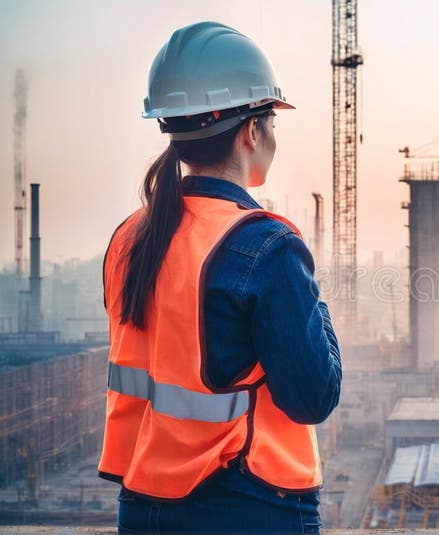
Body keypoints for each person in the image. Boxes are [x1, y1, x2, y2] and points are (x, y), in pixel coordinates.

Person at [98, 21, 341, 534]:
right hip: (250, 504)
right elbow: (313, 396)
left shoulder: (129, 238)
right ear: (251, 131)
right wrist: (315, 303)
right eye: (271, 119)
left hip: (144, 507)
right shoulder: (265, 246)